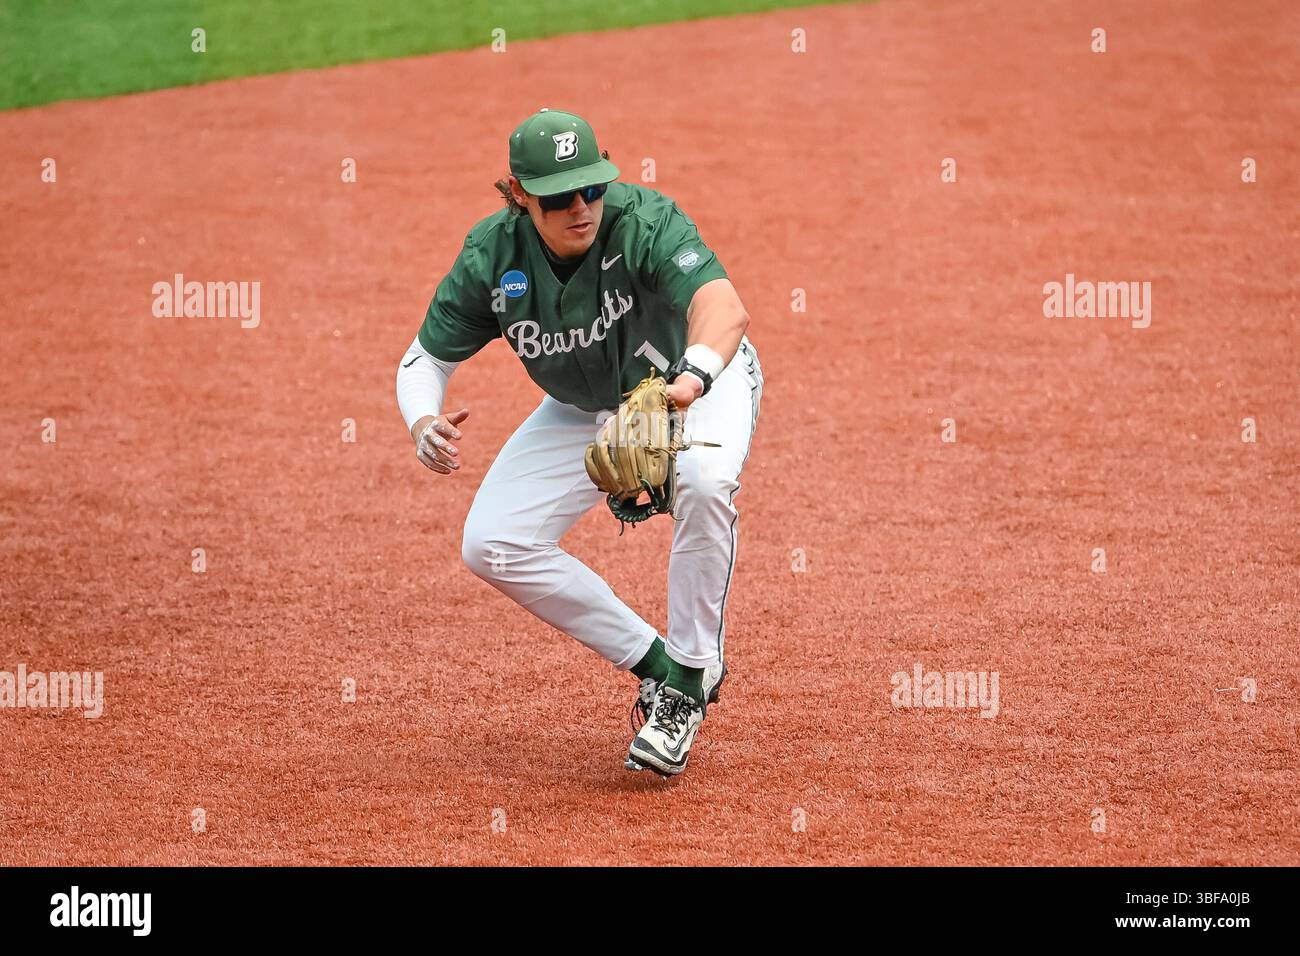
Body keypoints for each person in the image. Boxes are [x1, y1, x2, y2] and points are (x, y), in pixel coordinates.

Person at [395, 108, 763, 776]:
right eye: (559, 198)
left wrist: (692, 378)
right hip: (585, 406)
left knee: (704, 484)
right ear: (518, 196)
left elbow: (724, 307)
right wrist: (424, 421)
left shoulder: (645, 220)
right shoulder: (492, 258)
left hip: (700, 375)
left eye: (592, 188)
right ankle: (657, 664)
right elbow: (424, 361)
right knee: (492, 543)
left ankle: (687, 683)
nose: (581, 207)